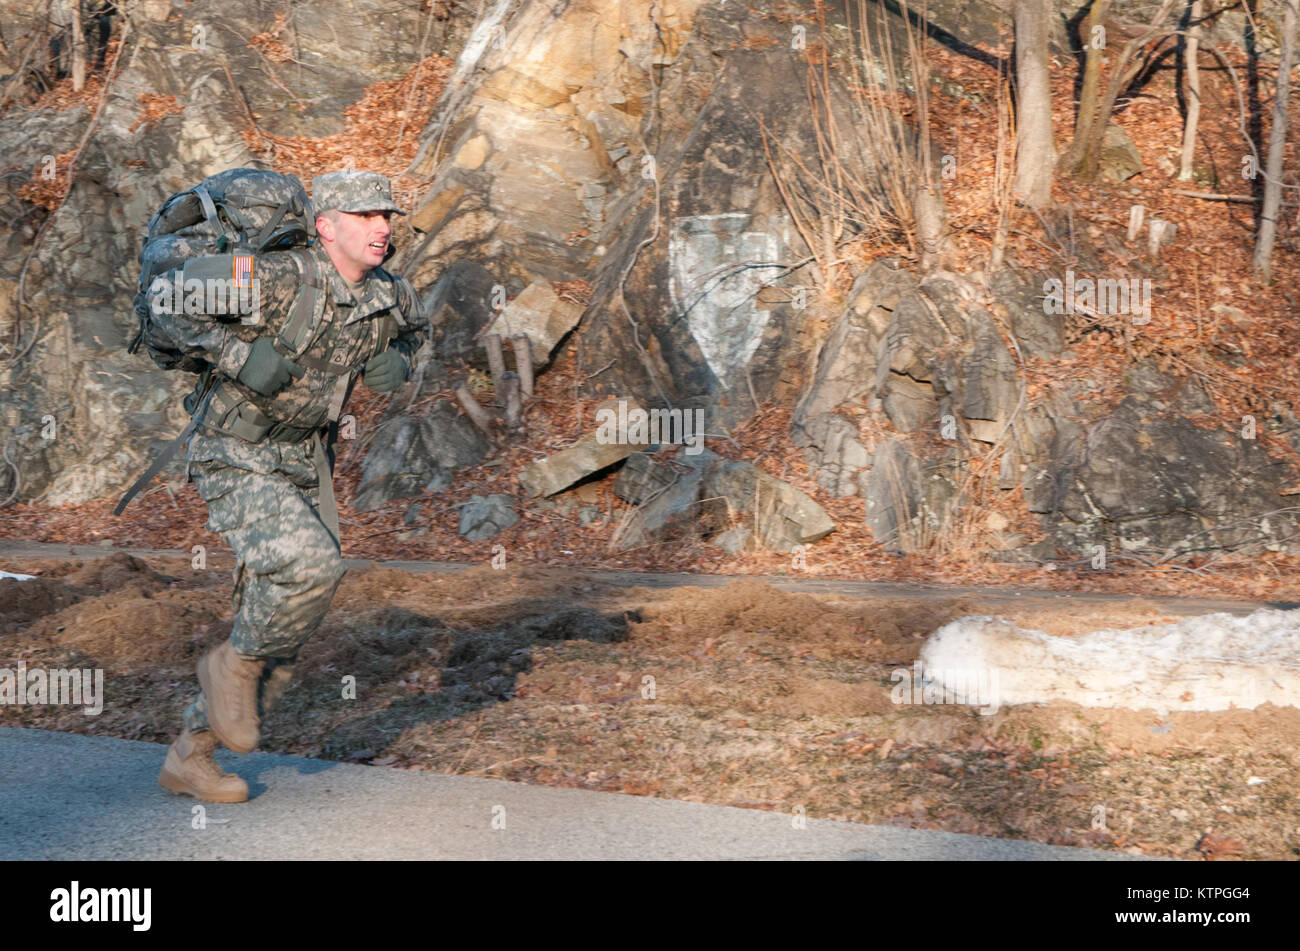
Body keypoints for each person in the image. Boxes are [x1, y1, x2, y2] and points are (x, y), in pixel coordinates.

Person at [156, 170, 428, 803]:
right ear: (326, 226)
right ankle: (231, 665)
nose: (382, 225)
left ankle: (191, 755)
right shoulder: (275, 279)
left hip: (306, 462)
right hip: (235, 449)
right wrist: (235, 356)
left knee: (286, 625)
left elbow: (421, 332)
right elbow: (166, 299)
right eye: (364, 215)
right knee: (309, 567)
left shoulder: (390, 296)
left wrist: (405, 361)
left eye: (386, 214)